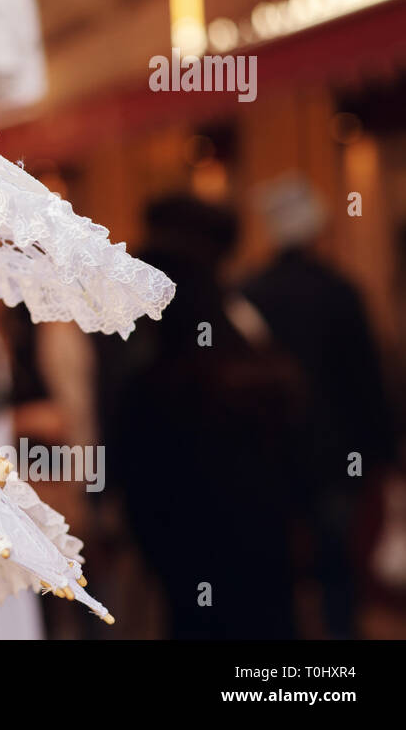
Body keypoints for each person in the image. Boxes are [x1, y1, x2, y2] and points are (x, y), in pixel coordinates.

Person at [109, 195, 312, 639]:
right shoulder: (261, 369)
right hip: (265, 566)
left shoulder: (152, 390)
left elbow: (136, 493)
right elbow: (300, 473)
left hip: (191, 578)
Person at [242, 174, 395, 637]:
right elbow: (367, 381)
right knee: (338, 570)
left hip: (272, 457)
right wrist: (382, 452)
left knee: (281, 570)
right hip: (336, 458)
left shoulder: (250, 294)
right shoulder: (339, 291)